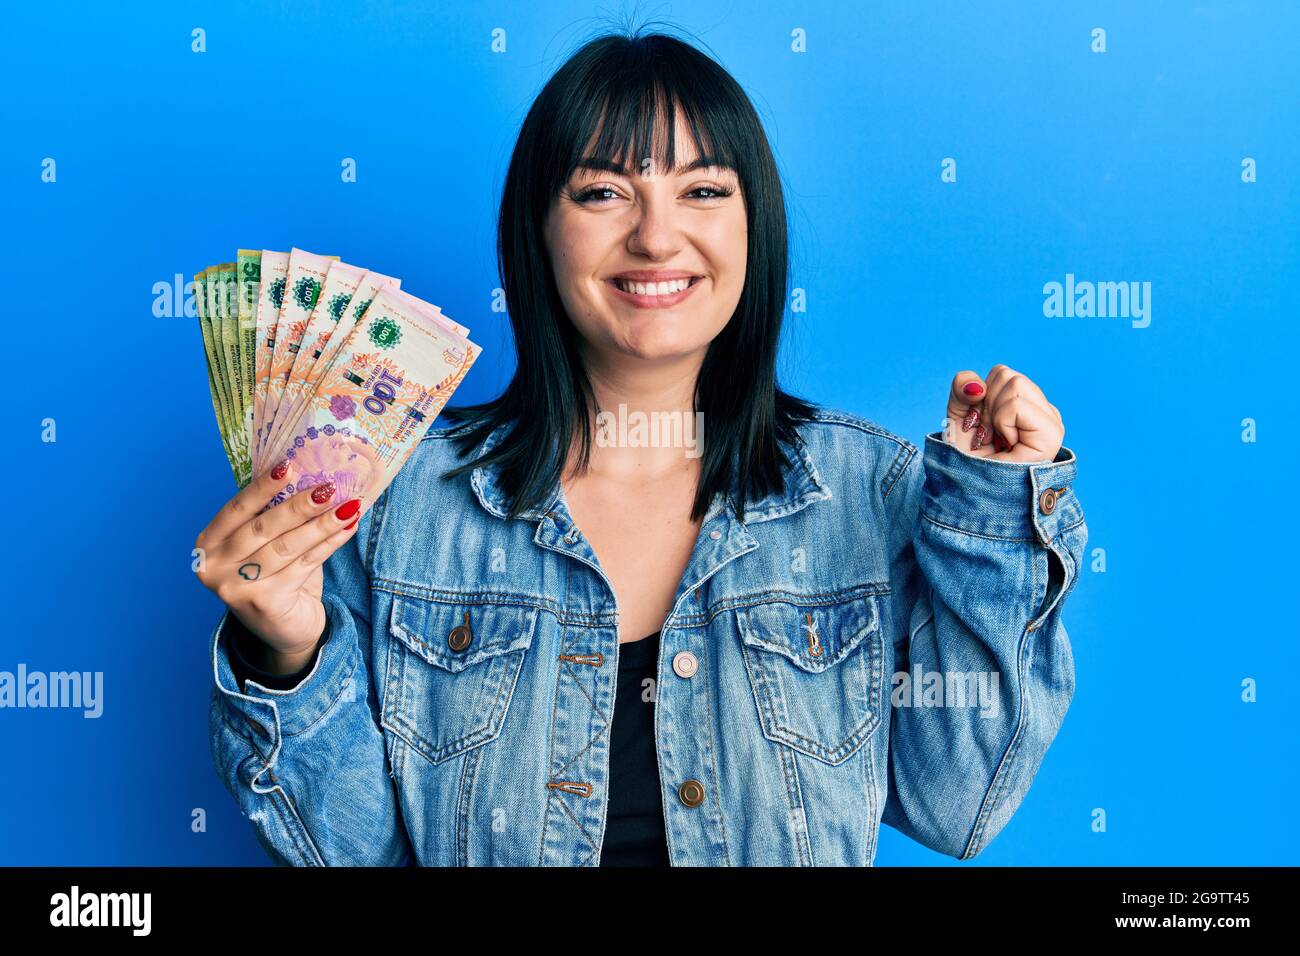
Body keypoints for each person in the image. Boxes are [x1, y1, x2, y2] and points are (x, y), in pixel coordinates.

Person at [196, 30, 1086, 866]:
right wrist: (287, 653)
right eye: (602, 191)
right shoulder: (402, 505)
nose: (657, 236)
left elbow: (959, 803)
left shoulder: (871, 489)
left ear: (753, 227)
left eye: (703, 190)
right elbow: (348, 854)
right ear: (539, 229)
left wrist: (993, 511)